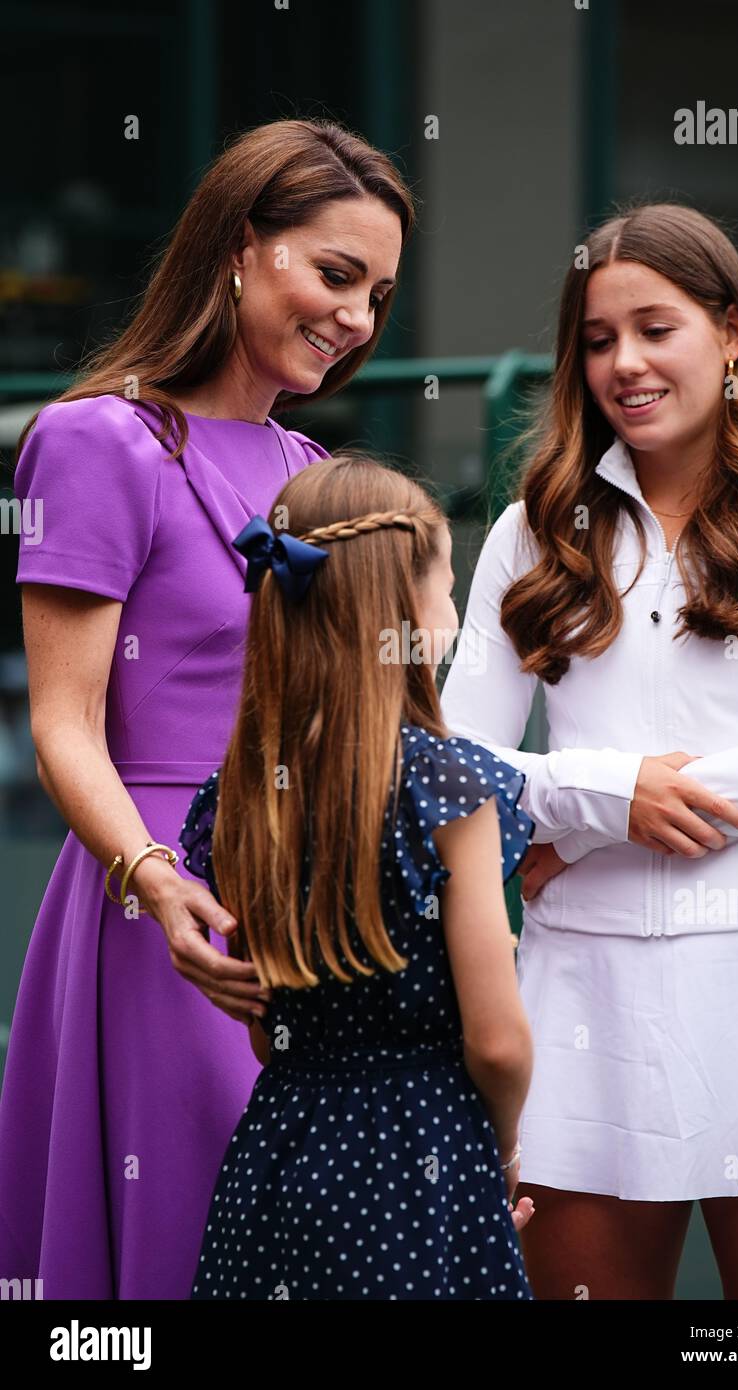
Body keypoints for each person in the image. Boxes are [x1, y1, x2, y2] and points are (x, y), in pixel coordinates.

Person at [0, 118, 413, 1300]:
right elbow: (65, 725)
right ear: (239, 246)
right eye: (334, 275)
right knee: (188, 1228)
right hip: (169, 902)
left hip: (313, 896)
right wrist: (152, 878)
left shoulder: (308, 466)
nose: (355, 320)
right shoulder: (96, 441)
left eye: (377, 296)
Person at [440, 202, 738, 1300]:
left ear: (729, 334)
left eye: (653, 328)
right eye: (594, 339)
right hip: (582, 992)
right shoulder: (529, 530)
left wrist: (572, 831)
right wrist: (599, 796)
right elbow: (442, 766)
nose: (622, 362)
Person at [178, 453, 547, 1299]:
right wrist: (502, 1147)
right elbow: (496, 1041)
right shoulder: (452, 788)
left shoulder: (237, 797)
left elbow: (265, 1028)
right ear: (404, 611)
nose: (451, 607)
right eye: (445, 587)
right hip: (425, 1150)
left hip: (277, 1159)